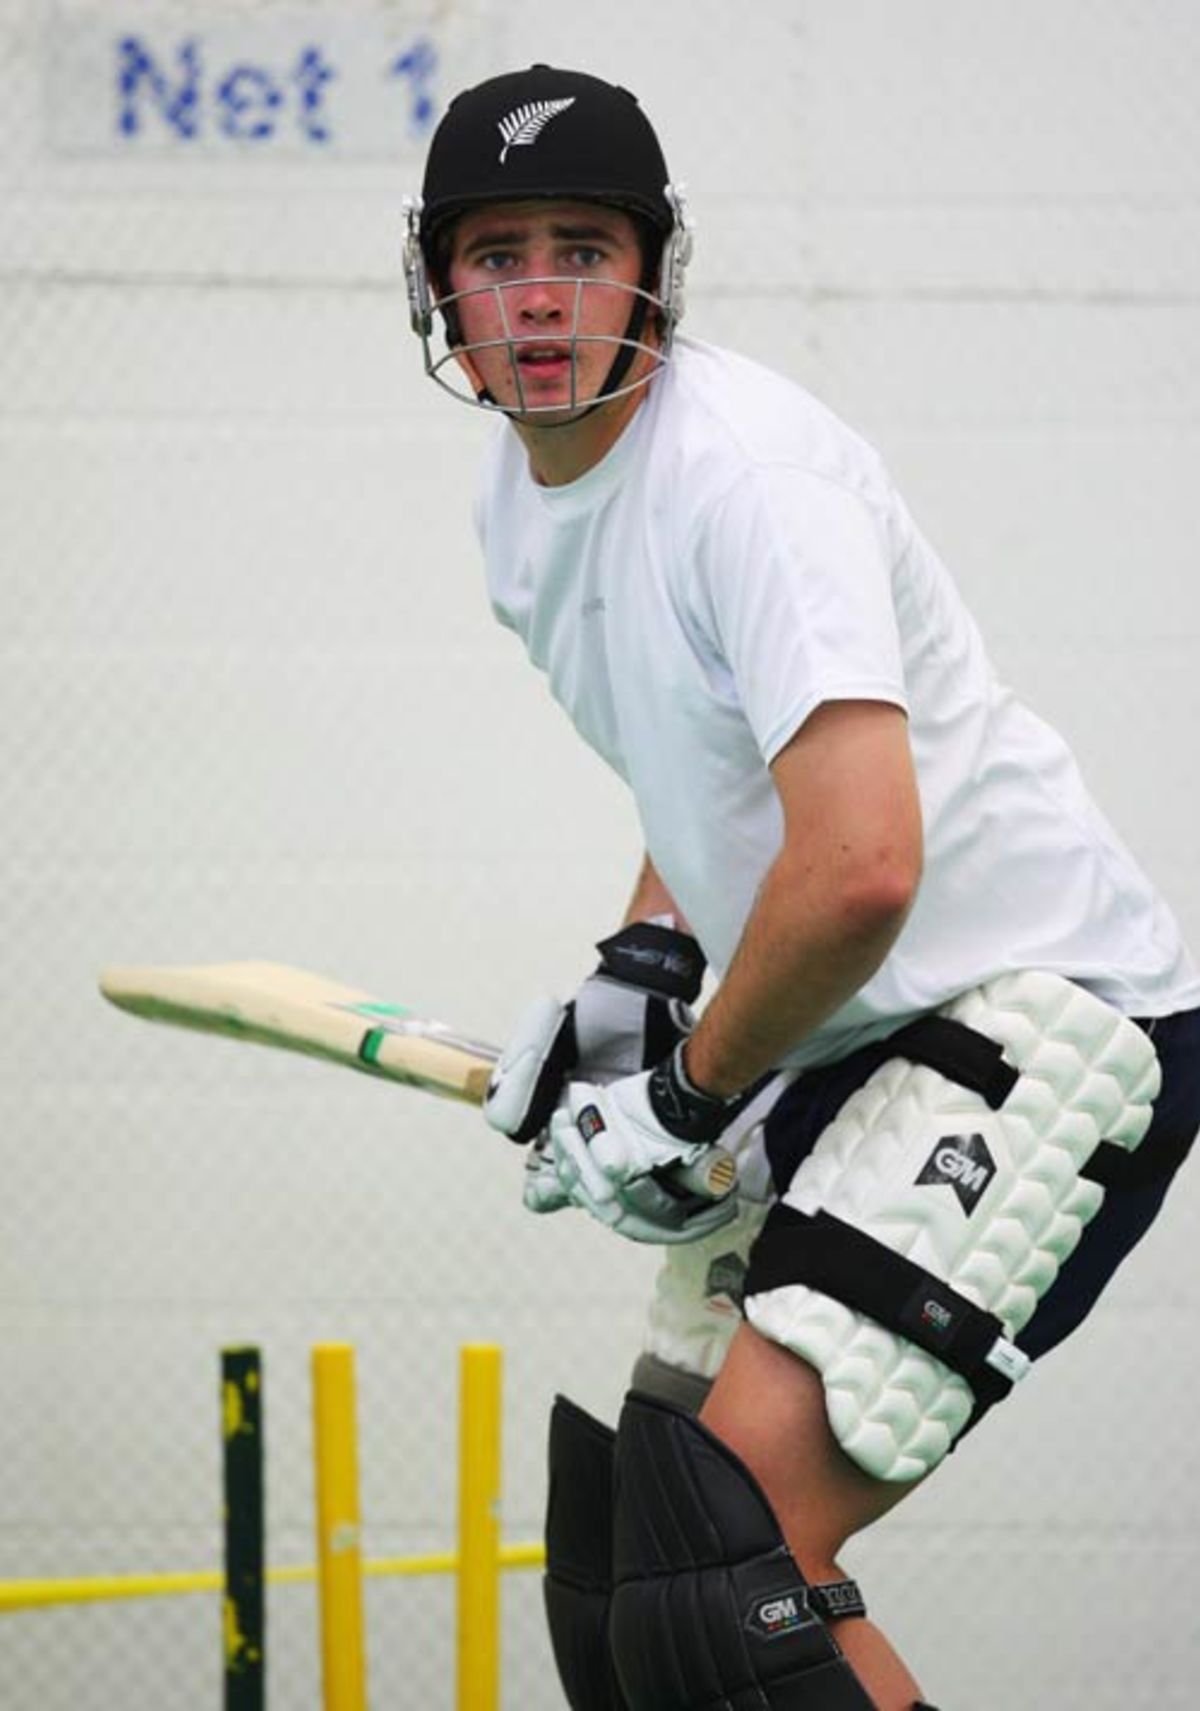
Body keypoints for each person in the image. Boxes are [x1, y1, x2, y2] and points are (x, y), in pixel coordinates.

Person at [403, 65, 1200, 1711]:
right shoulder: (520, 500)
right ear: (439, 287)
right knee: (635, 1561)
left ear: (652, 269)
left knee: (731, 1576)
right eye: (496, 253)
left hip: (1041, 1013)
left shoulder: (745, 482)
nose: (540, 292)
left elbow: (859, 868)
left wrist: (686, 1096)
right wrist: (643, 961)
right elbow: (708, 777)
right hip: (857, 1025)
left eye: (580, 244)